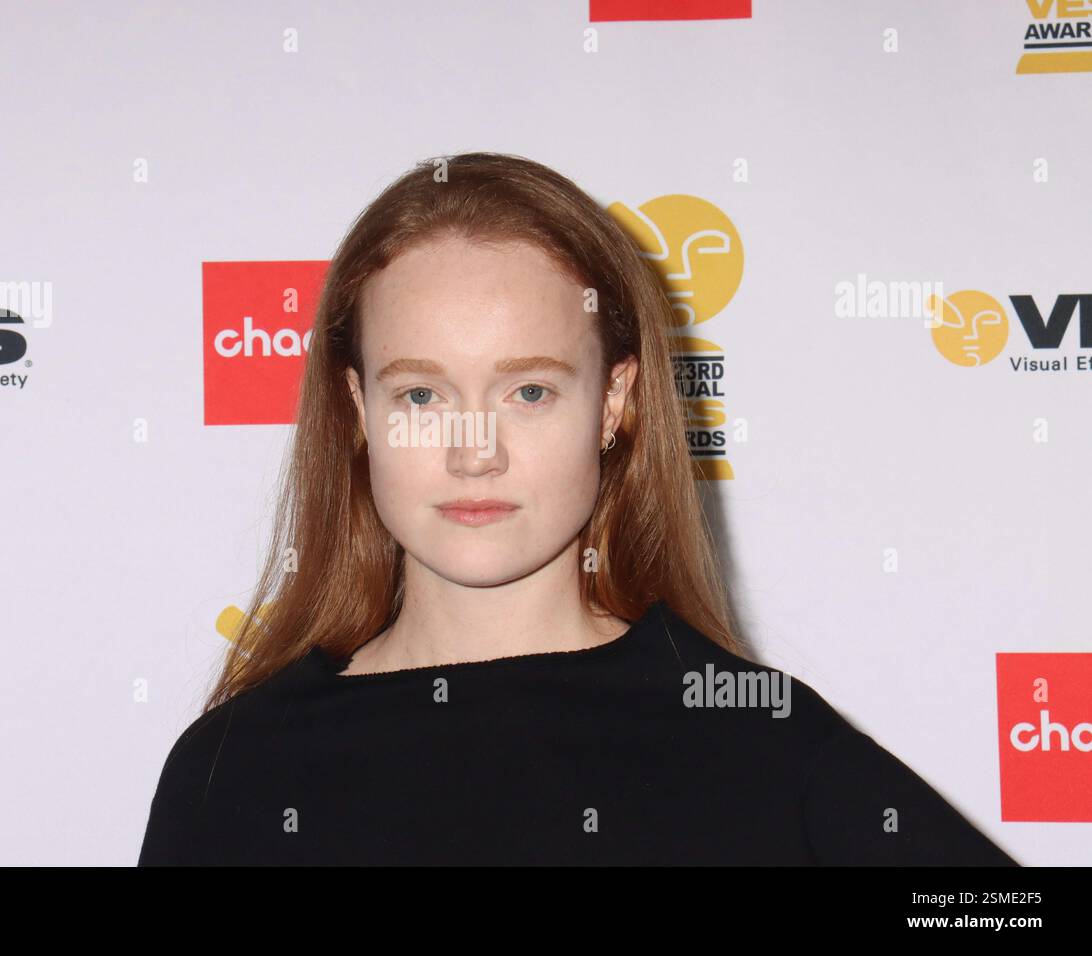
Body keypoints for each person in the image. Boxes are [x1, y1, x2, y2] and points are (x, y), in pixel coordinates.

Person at [137, 152, 1017, 866]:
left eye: (528, 391)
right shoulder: (236, 770)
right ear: (358, 408)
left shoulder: (751, 737)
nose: (473, 450)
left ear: (613, 402)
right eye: (420, 396)